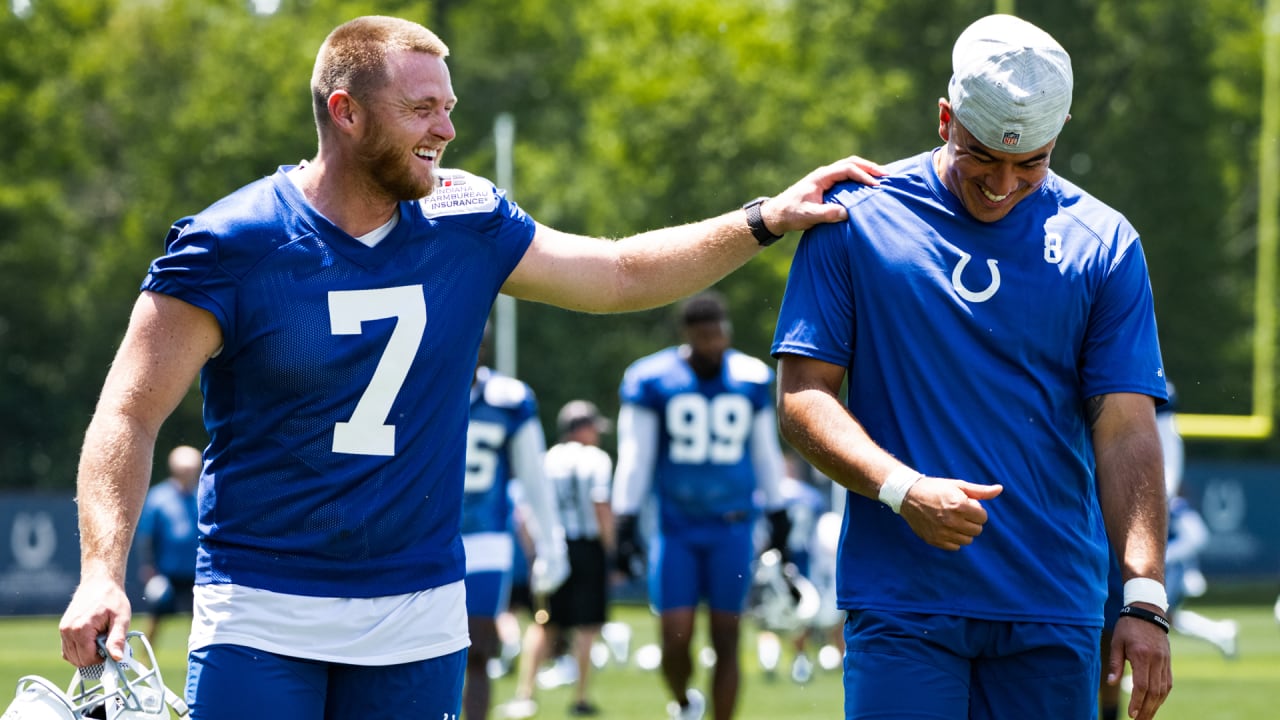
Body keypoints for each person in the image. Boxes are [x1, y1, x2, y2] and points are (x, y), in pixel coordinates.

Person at [55, 14, 885, 719]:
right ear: (345, 112)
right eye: (421, 109)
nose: (446, 131)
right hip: (264, 609)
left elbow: (621, 271)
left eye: (448, 109)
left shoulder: (467, 215)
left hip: (418, 609)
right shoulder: (231, 241)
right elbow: (128, 414)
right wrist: (101, 572)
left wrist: (763, 219)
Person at [770, 14, 1172, 720]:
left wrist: (1143, 595)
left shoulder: (1105, 242)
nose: (1004, 184)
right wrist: (902, 489)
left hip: (1052, 603)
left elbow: (1126, 429)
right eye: (982, 155)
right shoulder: (854, 217)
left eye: (1033, 162)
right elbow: (803, 396)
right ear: (944, 117)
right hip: (903, 599)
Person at [612, 291, 794, 720]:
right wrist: (625, 520)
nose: (714, 344)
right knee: (674, 639)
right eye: (705, 336)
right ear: (688, 335)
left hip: (732, 526)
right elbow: (635, 457)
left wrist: (779, 510)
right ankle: (682, 702)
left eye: (720, 334)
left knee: (727, 636)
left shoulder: (750, 377)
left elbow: (766, 453)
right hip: (676, 527)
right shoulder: (653, 379)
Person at [461, 335, 567, 720]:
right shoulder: (420, 386)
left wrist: (551, 544)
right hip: (426, 535)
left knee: (479, 646)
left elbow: (533, 476)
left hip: (486, 534)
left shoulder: (508, 400)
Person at [504, 400, 616, 719]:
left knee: (544, 623)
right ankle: (580, 697)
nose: (597, 435)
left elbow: (524, 514)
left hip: (552, 545)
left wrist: (533, 552)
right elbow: (600, 505)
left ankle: (526, 693)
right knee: (586, 626)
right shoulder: (596, 459)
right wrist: (610, 549)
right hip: (588, 546)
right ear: (582, 427)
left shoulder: (546, 459)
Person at [134, 444, 202, 645]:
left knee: (200, 619)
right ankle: (145, 660)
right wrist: (149, 565)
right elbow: (147, 535)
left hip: (197, 570)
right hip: (167, 570)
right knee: (156, 614)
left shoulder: (203, 495)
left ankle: (196, 659)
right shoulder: (158, 497)